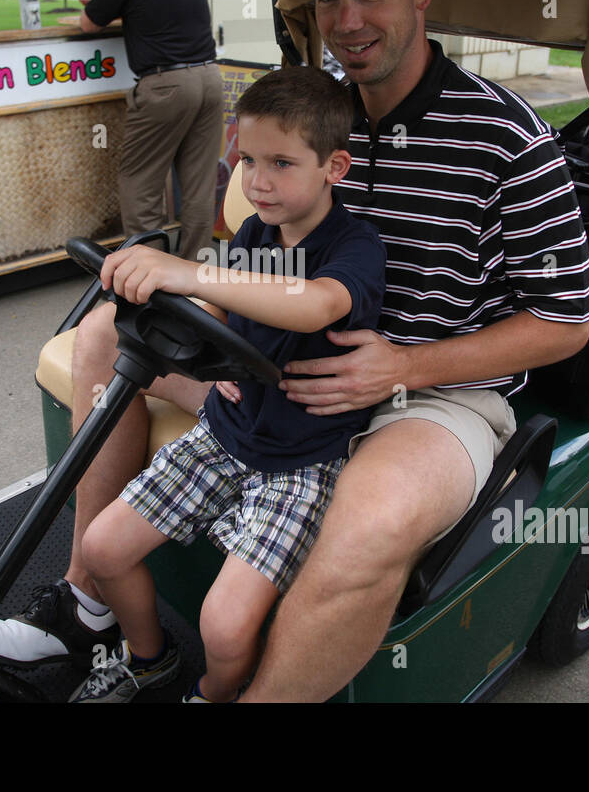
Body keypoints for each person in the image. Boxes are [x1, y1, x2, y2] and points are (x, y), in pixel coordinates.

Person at [0, 0, 589, 702]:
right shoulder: (311, 108)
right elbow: (249, 238)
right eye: (328, 0)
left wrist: (405, 366)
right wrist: (207, 302)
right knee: (106, 336)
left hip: (431, 391)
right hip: (284, 363)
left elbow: (567, 323)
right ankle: (90, 600)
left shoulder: (509, 139)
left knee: (369, 524)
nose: (347, 21)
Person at [56, 66, 386, 703]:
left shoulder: (354, 248)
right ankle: (148, 660)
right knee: (102, 548)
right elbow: (222, 310)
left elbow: (313, 305)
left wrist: (187, 273)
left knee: (225, 626)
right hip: (227, 431)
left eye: (282, 164)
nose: (257, 182)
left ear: (334, 168)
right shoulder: (258, 233)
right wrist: (186, 322)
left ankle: (211, 694)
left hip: (300, 464)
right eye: (247, 160)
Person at [76, 0, 222, 262]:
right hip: (210, 78)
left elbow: (88, 24)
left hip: (165, 86)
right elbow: (159, 3)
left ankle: (151, 272)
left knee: (139, 182)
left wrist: (100, 1)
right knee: (199, 183)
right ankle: (194, 274)